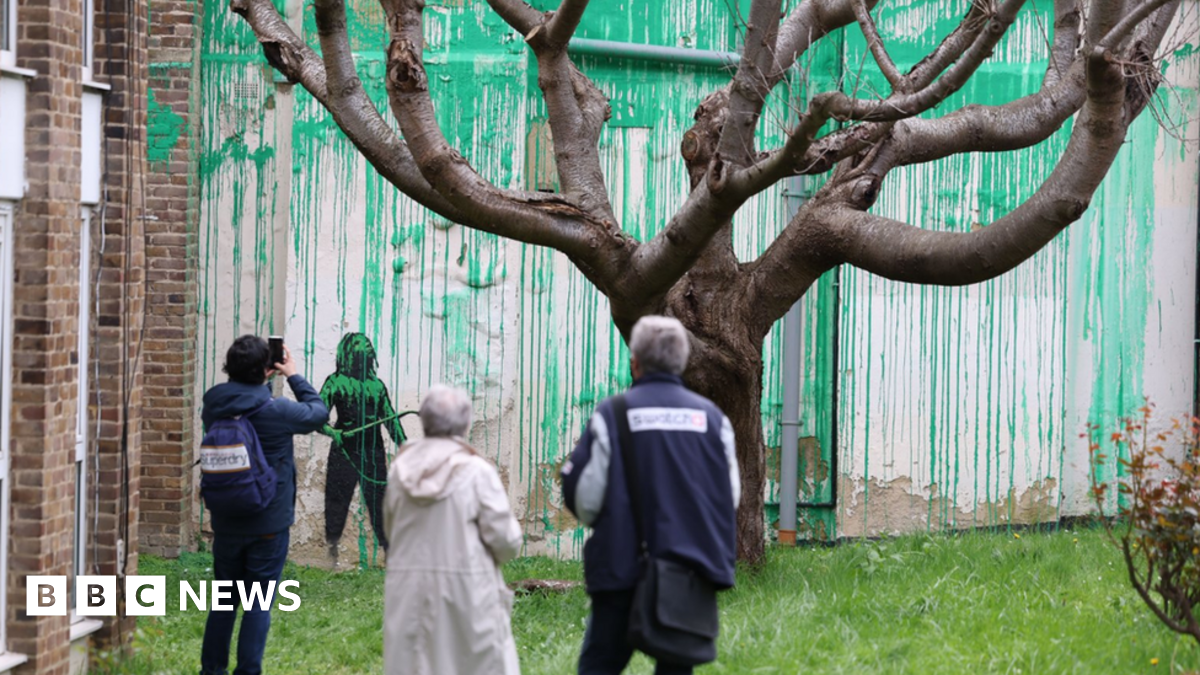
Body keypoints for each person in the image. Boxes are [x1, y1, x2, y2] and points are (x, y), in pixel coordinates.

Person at [561, 315, 740, 675]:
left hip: (621, 567)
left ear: (635, 363)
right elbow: (728, 496)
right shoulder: (712, 419)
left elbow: (585, 497)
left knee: (600, 665)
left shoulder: (612, 414)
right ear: (683, 361)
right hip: (688, 573)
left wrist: (616, 523)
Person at [199, 335, 330, 675]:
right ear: (266, 369)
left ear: (229, 367)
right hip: (268, 525)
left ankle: (211, 670)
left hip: (226, 520)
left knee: (224, 601)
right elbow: (318, 414)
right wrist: (293, 376)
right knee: (258, 604)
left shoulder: (213, 406)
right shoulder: (277, 410)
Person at [383, 384, 522, 675]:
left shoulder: (400, 469)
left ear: (424, 421)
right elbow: (506, 541)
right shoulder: (476, 471)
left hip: (409, 588)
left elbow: (390, 528)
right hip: (467, 589)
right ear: (466, 423)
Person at [318, 332, 407, 562]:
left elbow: (390, 419)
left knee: (379, 503)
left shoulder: (376, 386)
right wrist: (332, 432)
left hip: (373, 452)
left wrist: (404, 444)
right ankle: (332, 551)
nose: (364, 351)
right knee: (336, 501)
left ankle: (390, 552)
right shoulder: (335, 382)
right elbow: (316, 417)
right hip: (344, 450)